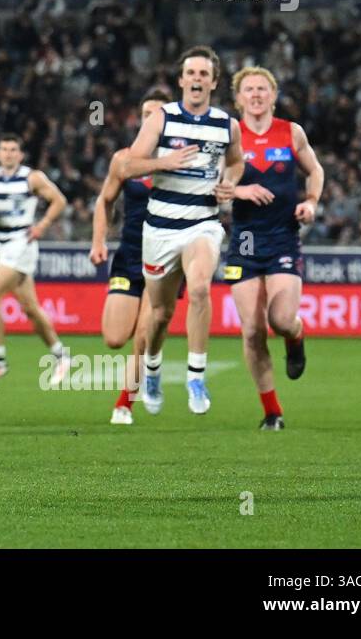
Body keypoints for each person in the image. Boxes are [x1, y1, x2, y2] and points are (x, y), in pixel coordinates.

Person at [121, 46, 244, 416]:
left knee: (202, 288)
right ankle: (154, 369)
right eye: (191, 73)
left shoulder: (227, 125)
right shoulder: (161, 118)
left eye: (204, 74)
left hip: (202, 224)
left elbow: (236, 164)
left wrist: (229, 183)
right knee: (159, 313)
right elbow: (128, 165)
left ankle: (196, 375)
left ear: (214, 82)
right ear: (181, 80)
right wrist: (164, 161)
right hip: (159, 227)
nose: (197, 79)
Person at [226, 66, 322, 430]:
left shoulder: (290, 132)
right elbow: (211, 186)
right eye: (248, 89)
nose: (255, 95)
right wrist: (239, 191)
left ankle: (295, 336)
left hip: (283, 235)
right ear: (238, 98)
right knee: (251, 330)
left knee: (280, 320)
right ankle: (272, 412)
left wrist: (311, 201)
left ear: (273, 95)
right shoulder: (229, 137)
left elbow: (316, 170)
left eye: (262, 89)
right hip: (245, 240)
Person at [89, 89, 171, 425]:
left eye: (159, 113)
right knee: (114, 338)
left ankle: (125, 403)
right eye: (147, 113)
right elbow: (104, 201)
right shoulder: (124, 159)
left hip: (165, 257)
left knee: (143, 335)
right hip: (128, 254)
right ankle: (154, 357)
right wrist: (98, 240)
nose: (152, 119)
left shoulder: (179, 160)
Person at [0, 135, 69, 384]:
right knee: (30, 308)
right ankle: (61, 355)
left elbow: (59, 201)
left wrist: (42, 225)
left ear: (20, 155)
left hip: (22, 243)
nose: (8, 153)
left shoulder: (32, 177)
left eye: (13, 150)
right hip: (3, 245)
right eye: (4, 149)